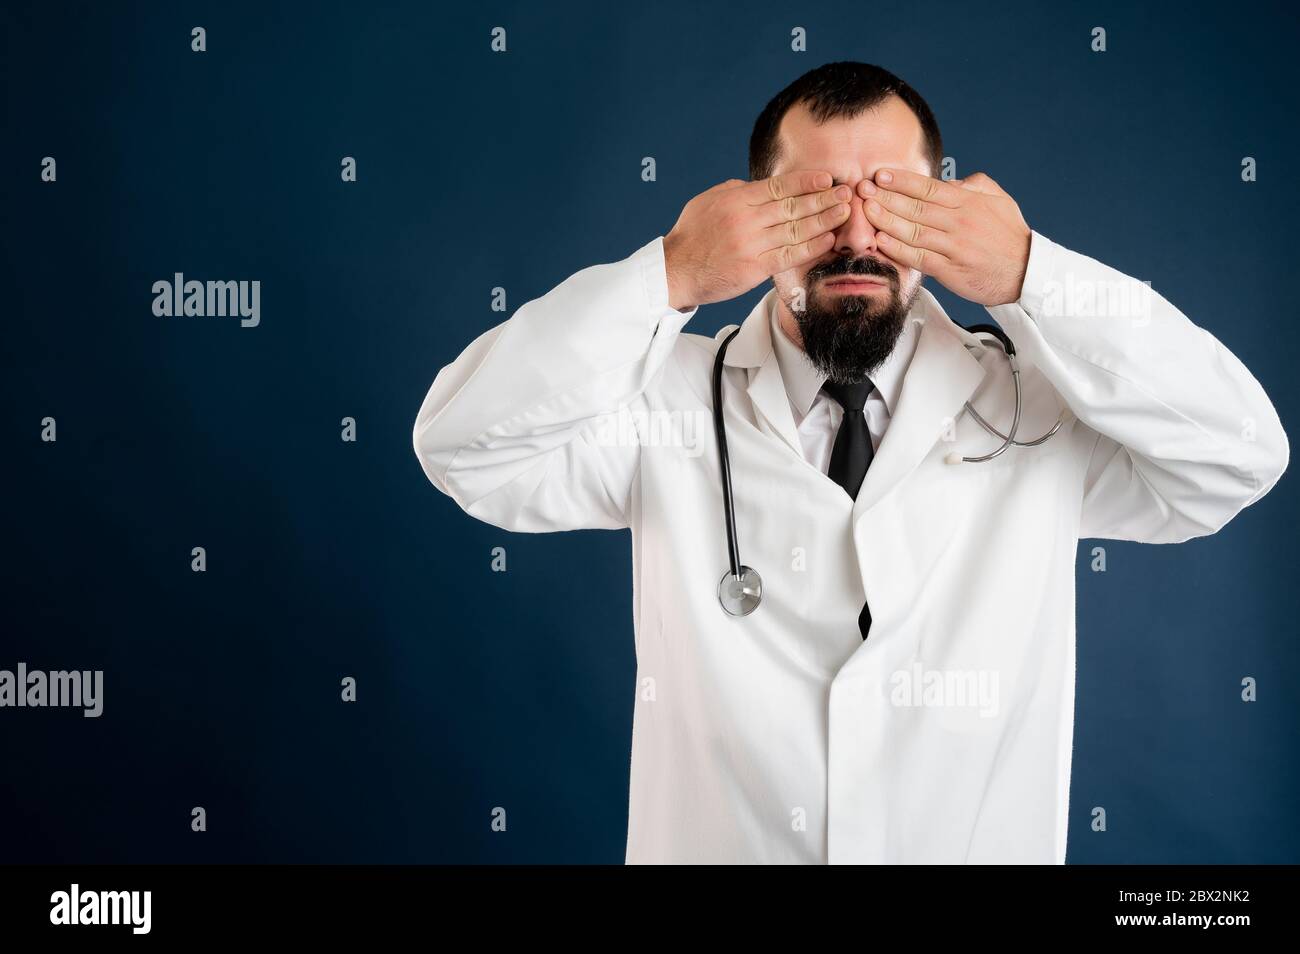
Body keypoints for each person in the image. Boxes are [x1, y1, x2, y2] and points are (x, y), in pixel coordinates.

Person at [411, 61, 1288, 864]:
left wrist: (1031, 273)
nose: (856, 233)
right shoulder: (664, 404)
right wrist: (670, 273)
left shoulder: (1039, 408)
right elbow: (463, 446)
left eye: (897, 199)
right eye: (814, 201)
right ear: (753, 216)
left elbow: (1239, 454)